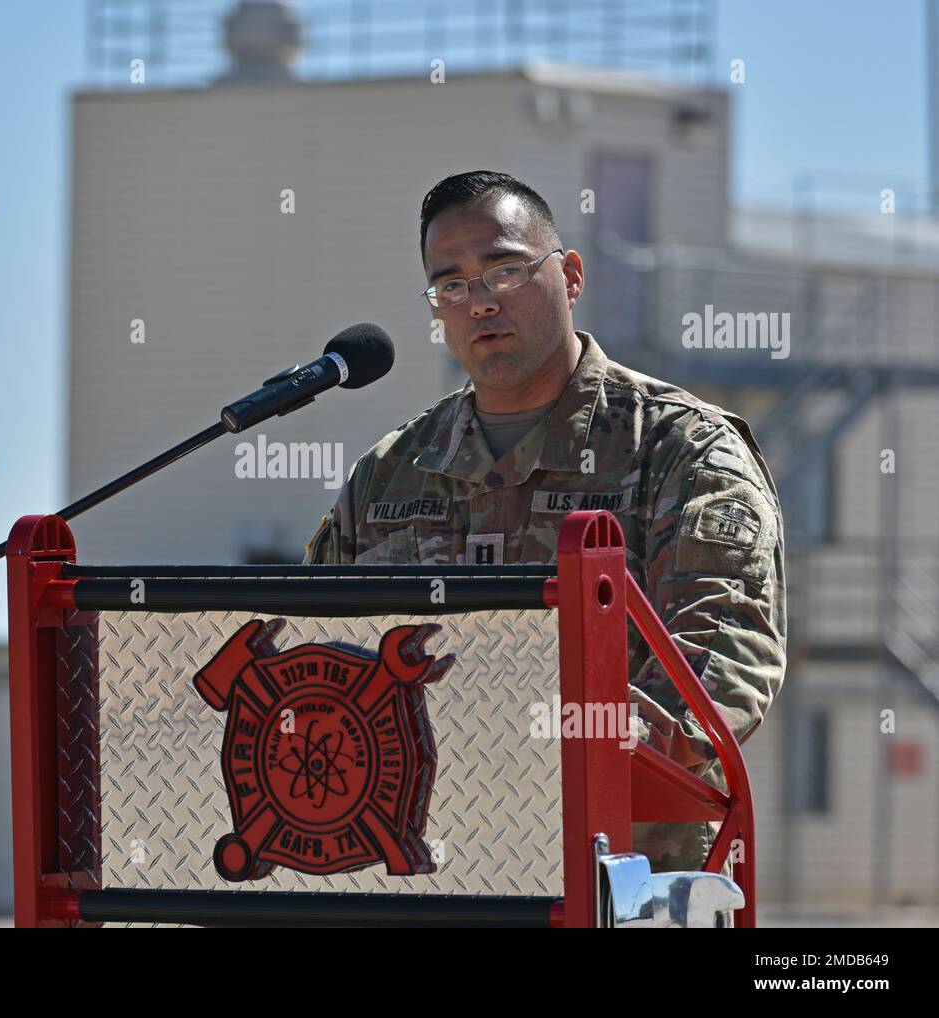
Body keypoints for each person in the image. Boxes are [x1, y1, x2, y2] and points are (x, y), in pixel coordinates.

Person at [302, 170, 786, 878]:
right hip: (422, 875)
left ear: (571, 275)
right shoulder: (390, 473)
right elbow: (318, 652)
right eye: (453, 285)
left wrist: (545, 765)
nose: (481, 302)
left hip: (617, 872)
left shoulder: (681, 449)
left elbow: (720, 655)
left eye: (505, 269)